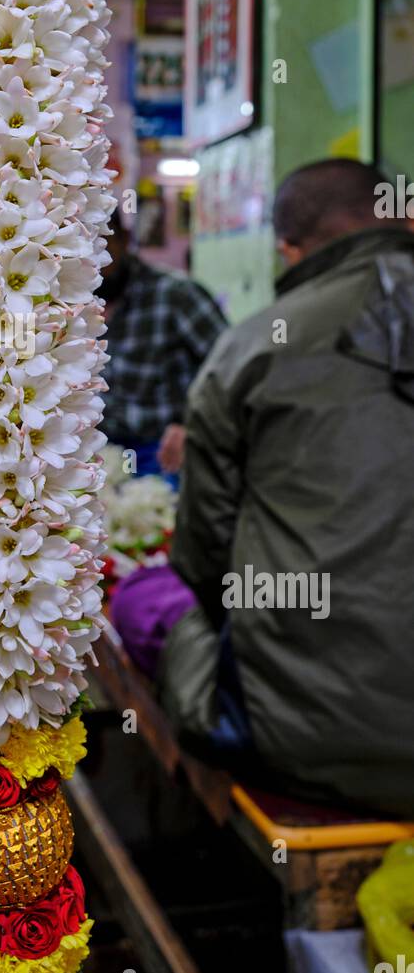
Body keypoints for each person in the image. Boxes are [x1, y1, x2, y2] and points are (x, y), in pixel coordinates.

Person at [164, 159, 414, 817]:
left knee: (157, 607)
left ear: (289, 249)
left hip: (314, 744)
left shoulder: (252, 347)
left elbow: (203, 559)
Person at [101, 213, 227, 477]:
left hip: (164, 454)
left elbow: (231, 372)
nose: (94, 262)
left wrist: (192, 425)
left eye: (101, 245)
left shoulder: (175, 295)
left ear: (124, 240)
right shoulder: (67, 304)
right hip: (98, 453)